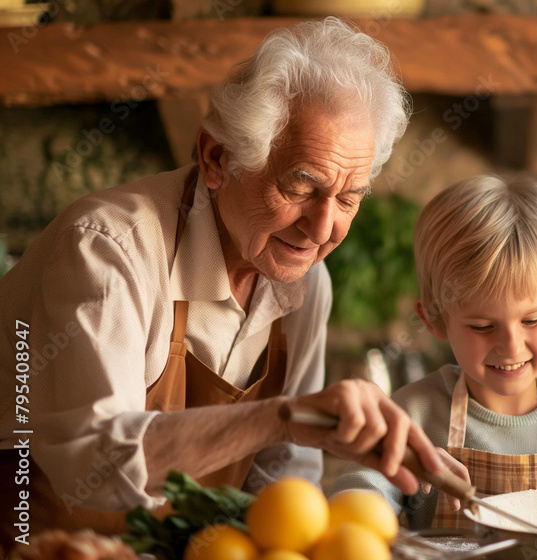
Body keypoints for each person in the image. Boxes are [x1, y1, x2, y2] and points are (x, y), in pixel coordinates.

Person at [0, 17, 445, 547]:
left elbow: (283, 481)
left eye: (348, 198)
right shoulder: (106, 250)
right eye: (300, 186)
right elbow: (93, 466)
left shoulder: (305, 283)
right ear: (217, 158)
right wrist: (283, 418)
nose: (323, 229)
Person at [330, 175, 537, 529]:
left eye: (531, 320)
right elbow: (354, 501)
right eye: (482, 326)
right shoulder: (413, 414)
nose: (511, 346)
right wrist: (387, 490)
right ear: (433, 319)